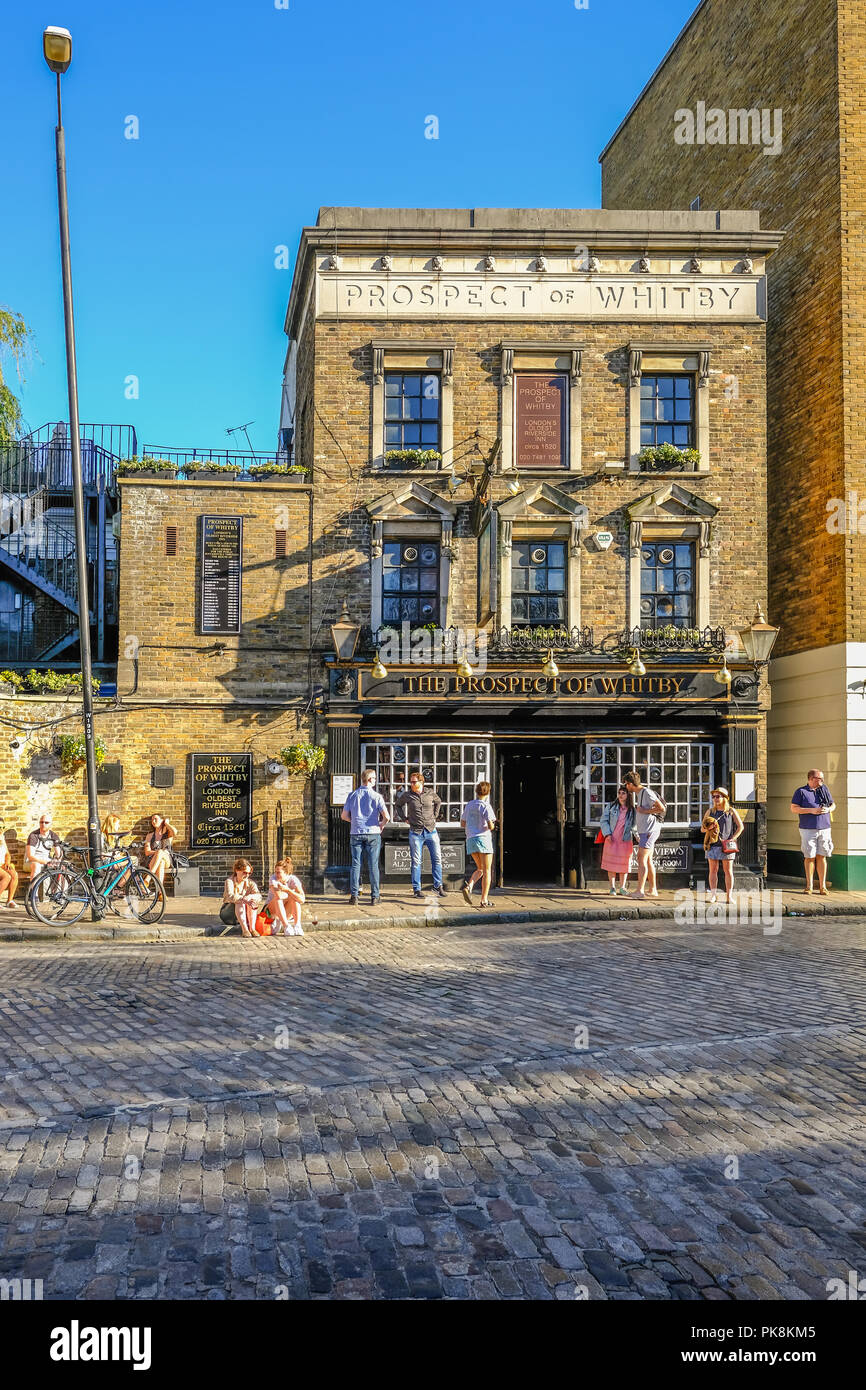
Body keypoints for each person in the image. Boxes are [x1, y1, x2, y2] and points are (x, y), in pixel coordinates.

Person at [341, 770, 390, 906]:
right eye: (374, 778)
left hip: (356, 833)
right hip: (373, 833)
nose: (375, 780)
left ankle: (354, 897)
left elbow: (344, 816)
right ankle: (375, 897)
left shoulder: (352, 795)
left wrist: (355, 822)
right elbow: (387, 817)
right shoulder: (376, 796)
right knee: (373, 865)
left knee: (356, 864)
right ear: (369, 779)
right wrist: (381, 825)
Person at [395, 771, 447, 898]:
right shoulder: (407, 795)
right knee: (416, 861)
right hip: (415, 832)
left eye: (414, 782)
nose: (411, 784)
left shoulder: (430, 792)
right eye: (411, 782)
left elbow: (438, 801)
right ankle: (417, 889)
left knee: (437, 859)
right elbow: (398, 805)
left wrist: (435, 815)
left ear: (421, 782)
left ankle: (437, 886)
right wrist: (404, 818)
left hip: (431, 830)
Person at [790, 768, 836, 895]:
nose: (821, 781)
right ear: (811, 779)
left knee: (822, 856)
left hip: (825, 827)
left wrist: (828, 810)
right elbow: (794, 809)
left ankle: (822, 886)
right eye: (819, 779)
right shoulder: (801, 791)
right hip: (808, 828)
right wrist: (811, 810)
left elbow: (833, 804)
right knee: (809, 856)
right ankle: (809, 886)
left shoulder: (824, 790)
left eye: (822, 778)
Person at [624, 770, 666, 899]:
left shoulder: (646, 792)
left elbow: (661, 808)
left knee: (641, 859)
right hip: (646, 831)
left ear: (630, 784)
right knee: (648, 860)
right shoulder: (641, 793)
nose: (625, 786)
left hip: (649, 831)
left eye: (626, 784)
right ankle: (653, 889)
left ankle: (640, 891)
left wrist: (644, 811)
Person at [702, 787, 744, 904]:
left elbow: (741, 827)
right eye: (713, 796)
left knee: (728, 871)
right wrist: (708, 828)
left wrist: (732, 839)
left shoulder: (730, 811)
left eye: (718, 796)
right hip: (713, 844)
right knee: (713, 870)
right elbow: (702, 829)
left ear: (724, 798)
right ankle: (713, 896)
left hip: (726, 846)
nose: (715, 799)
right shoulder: (710, 812)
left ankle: (729, 896)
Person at [461, 781, 496, 908]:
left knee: (480, 868)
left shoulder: (469, 805)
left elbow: (462, 823)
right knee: (487, 871)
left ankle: (469, 886)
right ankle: (484, 900)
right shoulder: (486, 806)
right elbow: (491, 826)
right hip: (483, 839)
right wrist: (491, 825)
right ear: (488, 792)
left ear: (476, 791)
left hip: (471, 840)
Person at [600, 785, 635, 895]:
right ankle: (612, 888)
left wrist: (637, 834)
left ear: (628, 795)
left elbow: (635, 825)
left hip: (625, 840)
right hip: (612, 839)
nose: (620, 795)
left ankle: (623, 887)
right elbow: (603, 820)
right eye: (619, 793)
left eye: (623, 793)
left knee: (624, 864)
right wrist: (607, 834)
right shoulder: (611, 806)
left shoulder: (632, 810)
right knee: (611, 865)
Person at [220, 858, 264, 937]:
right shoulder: (229, 881)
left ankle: (252, 929)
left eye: (249, 873)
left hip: (244, 914)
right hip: (229, 914)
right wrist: (244, 899)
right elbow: (230, 896)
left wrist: (250, 897)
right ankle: (245, 930)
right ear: (237, 870)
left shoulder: (251, 883)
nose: (247, 875)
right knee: (240, 901)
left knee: (253, 901)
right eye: (244, 872)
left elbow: (259, 896)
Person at [267, 857, 305, 935]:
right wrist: (291, 893)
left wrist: (288, 890)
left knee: (295, 899)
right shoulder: (273, 879)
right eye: (275, 872)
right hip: (269, 911)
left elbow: (302, 899)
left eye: (278, 872)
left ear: (286, 873)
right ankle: (286, 926)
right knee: (279, 898)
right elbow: (278, 895)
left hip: (286, 911)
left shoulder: (293, 880)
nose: (276, 874)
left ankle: (297, 926)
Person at [143, 813, 177, 887]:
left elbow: (175, 832)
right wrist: (158, 853)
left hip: (167, 860)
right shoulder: (149, 836)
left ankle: (148, 878)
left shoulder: (168, 833)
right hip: (153, 860)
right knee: (161, 862)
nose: (153, 821)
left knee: (161, 853)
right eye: (152, 820)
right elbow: (147, 852)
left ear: (162, 821)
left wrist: (166, 823)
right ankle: (160, 892)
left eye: (156, 819)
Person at [25, 813, 62, 880]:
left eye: (46, 822)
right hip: (31, 861)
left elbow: (58, 854)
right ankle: (33, 890)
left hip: (46, 859)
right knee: (36, 866)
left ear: (51, 824)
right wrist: (45, 862)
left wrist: (57, 861)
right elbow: (30, 856)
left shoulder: (53, 836)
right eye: (41, 822)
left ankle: (58, 890)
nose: (43, 824)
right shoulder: (34, 835)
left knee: (63, 868)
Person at [0, 830, 19, 909]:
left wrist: (7, 862)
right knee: (7, 877)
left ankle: (9, 901)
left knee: (14, 874)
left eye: (3, 827)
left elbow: (7, 853)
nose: (1, 829)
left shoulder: (2, 836)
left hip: (2, 864)